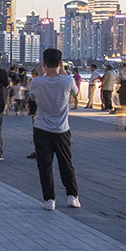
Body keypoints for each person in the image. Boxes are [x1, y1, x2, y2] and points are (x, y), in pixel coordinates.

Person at [31, 48, 81, 210]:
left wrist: (40, 75)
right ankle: (72, 196)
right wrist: (64, 72)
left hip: (41, 128)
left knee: (44, 165)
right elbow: (76, 92)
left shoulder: (36, 82)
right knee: (66, 163)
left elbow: (32, 97)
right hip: (62, 129)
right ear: (60, 63)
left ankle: (49, 200)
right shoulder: (67, 81)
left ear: (44, 64)